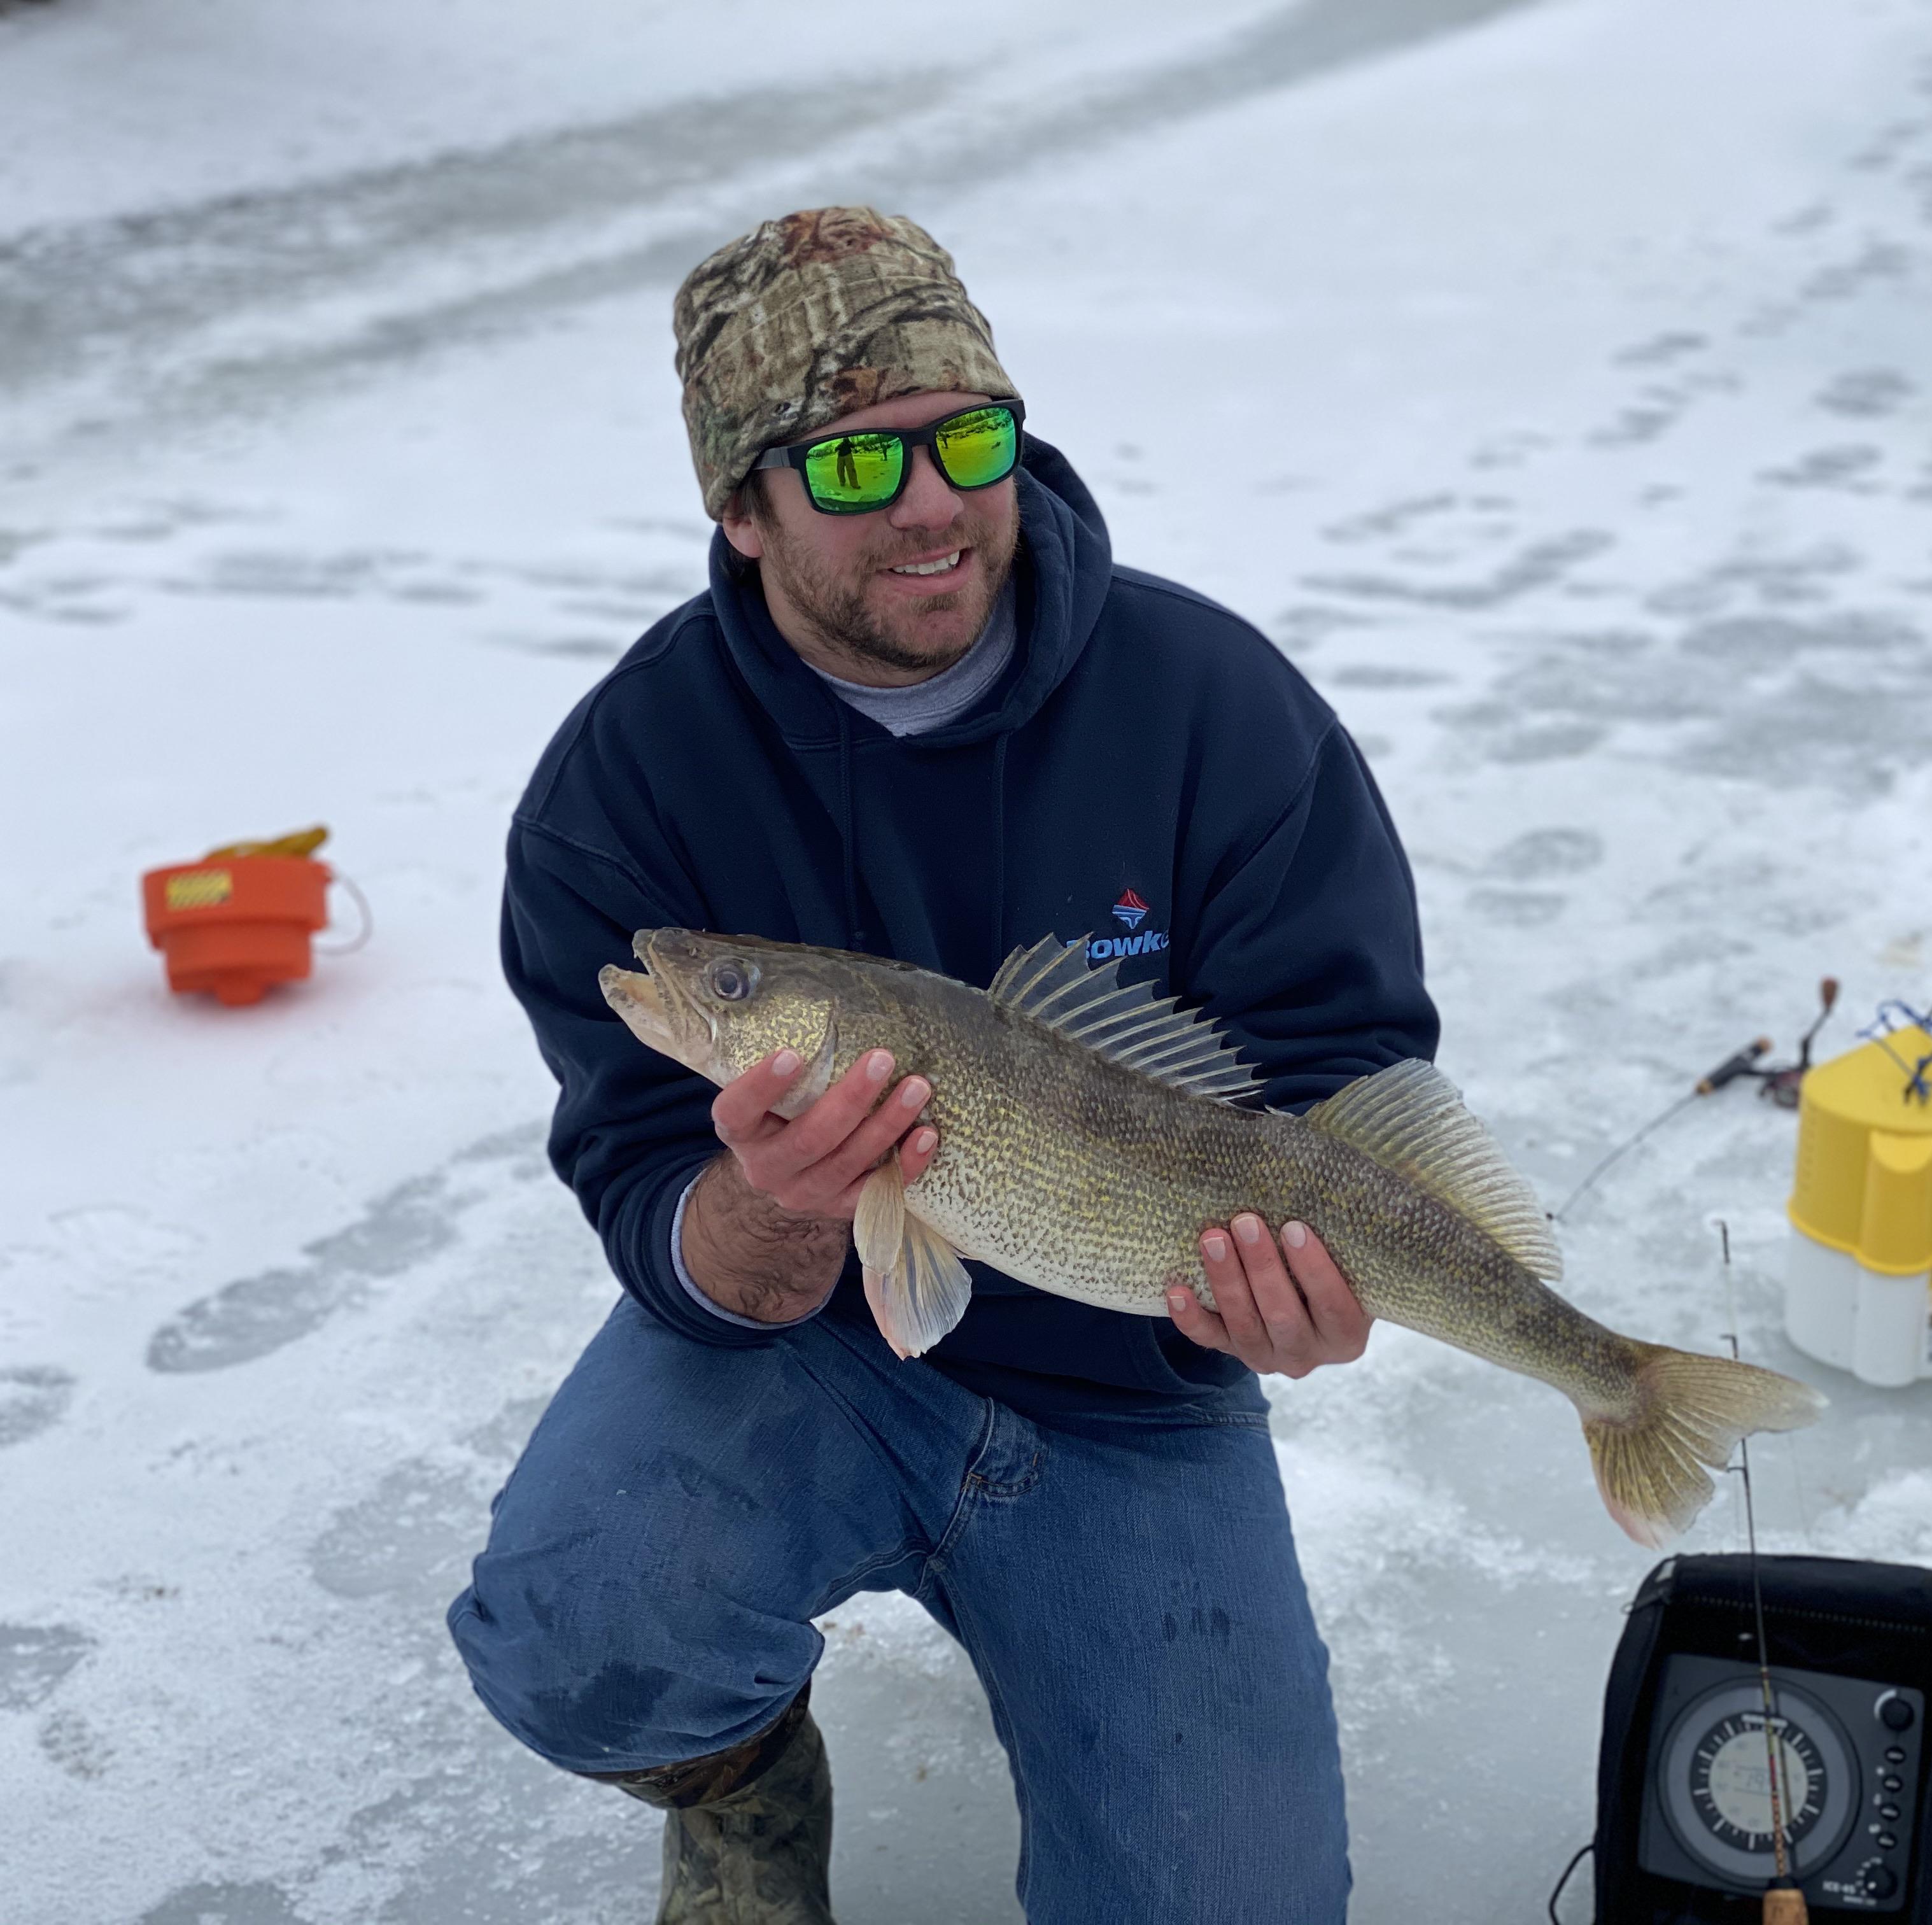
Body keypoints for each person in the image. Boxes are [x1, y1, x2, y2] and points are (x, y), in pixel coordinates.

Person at [446, 205, 1437, 1925]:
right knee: (582, 1626)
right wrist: (767, 1221)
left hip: (1141, 1392)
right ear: (740, 507)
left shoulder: (1215, 706)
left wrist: (1313, 1299)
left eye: (966, 440)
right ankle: (742, 1784)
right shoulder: (627, 787)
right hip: (805, 1362)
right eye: (850, 467)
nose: (929, 504)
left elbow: (1341, 1077)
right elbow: (634, 1175)